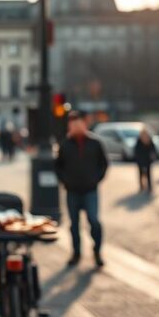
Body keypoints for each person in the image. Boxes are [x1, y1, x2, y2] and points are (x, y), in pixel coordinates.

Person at [55, 111, 109, 268]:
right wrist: (65, 181)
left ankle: (97, 251)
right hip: (72, 191)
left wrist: (96, 179)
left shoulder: (95, 143)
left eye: (78, 123)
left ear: (84, 125)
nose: (76, 126)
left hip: (90, 190)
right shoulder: (65, 144)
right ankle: (76, 253)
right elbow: (58, 166)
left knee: (94, 221)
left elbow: (104, 164)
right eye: (73, 124)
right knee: (74, 224)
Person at [134, 129, 156, 194]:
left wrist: (152, 156)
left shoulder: (149, 141)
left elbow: (153, 149)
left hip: (147, 160)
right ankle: (142, 186)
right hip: (140, 160)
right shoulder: (139, 141)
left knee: (148, 174)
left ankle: (149, 187)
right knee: (141, 174)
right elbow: (136, 151)